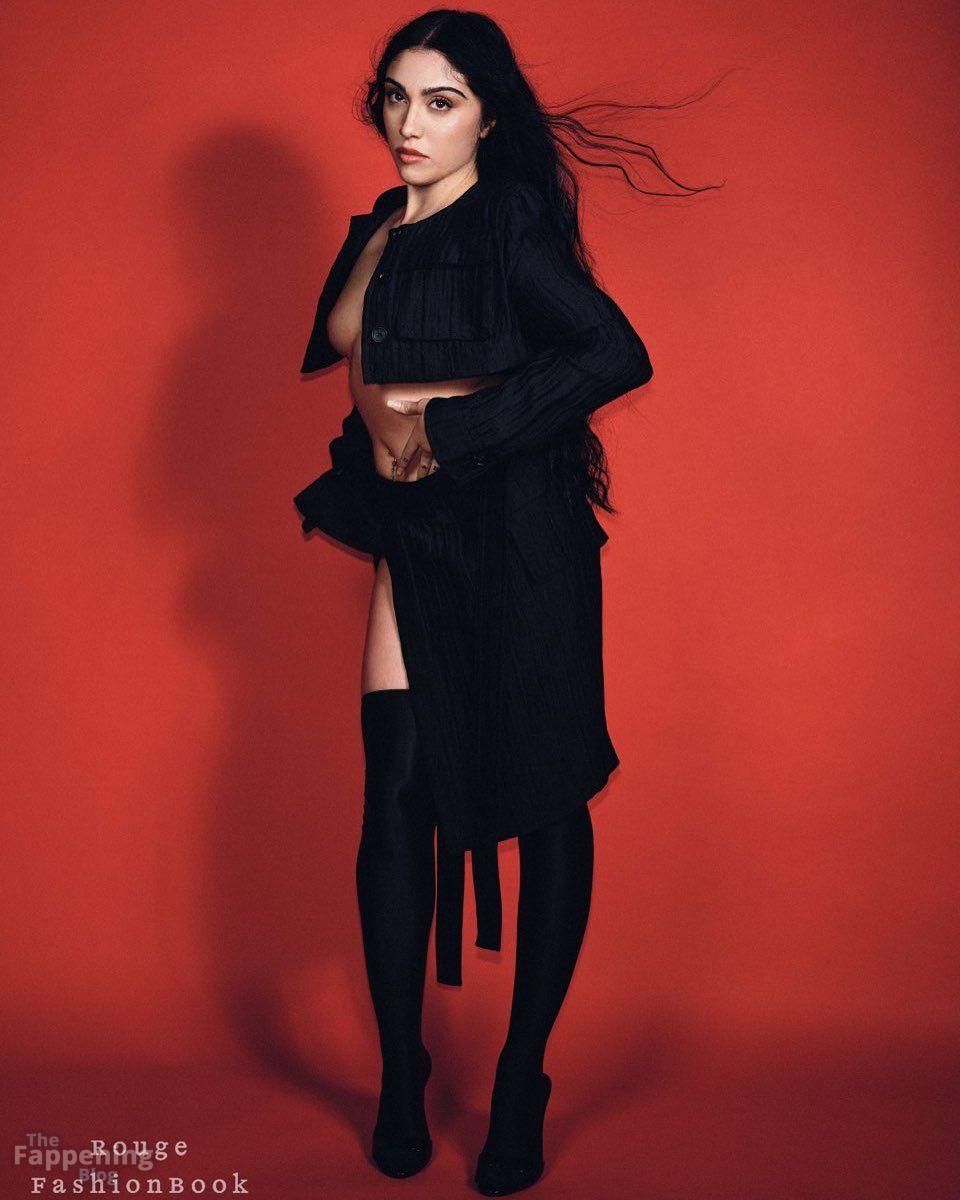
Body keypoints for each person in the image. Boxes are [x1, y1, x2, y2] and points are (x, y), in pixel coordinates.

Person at [294, 10, 711, 1194]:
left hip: (520, 543)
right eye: (396, 96)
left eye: (441, 101)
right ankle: (401, 1068)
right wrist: (384, 449)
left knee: (547, 793)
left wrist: (454, 427)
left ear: (487, 116)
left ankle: (523, 1076)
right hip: (417, 540)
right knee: (395, 788)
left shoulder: (510, 221)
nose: (410, 122)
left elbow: (613, 351)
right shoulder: (376, 229)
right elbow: (365, 367)